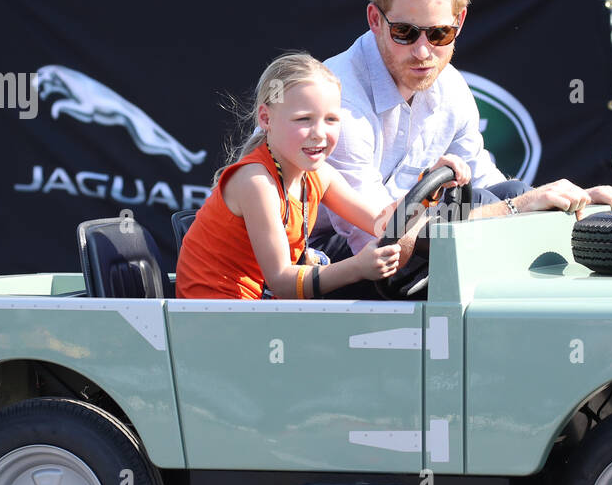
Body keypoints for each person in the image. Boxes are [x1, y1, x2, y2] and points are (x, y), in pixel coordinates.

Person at [313, 0, 612, 265]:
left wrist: (574, 202)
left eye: (439, 34)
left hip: (387, 239)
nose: (423, 52)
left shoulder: (449, 84)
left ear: (459, 22)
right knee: (495, 204)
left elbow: (489, 183)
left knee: (510, 191)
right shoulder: (339, 102)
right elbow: (382, 238)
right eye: (405, 33)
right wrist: (516, 209)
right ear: (375, 20)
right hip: (314, 255)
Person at [175, 52, 467, 300]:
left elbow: (383, 223)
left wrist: (428, 188)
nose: (319, 133)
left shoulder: (319, 175)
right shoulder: (256, 182)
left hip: (256, 316)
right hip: (214, 322)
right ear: (266, 119)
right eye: (303, 119)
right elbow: (282, 281)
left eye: (331, 120)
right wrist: (358, 267)